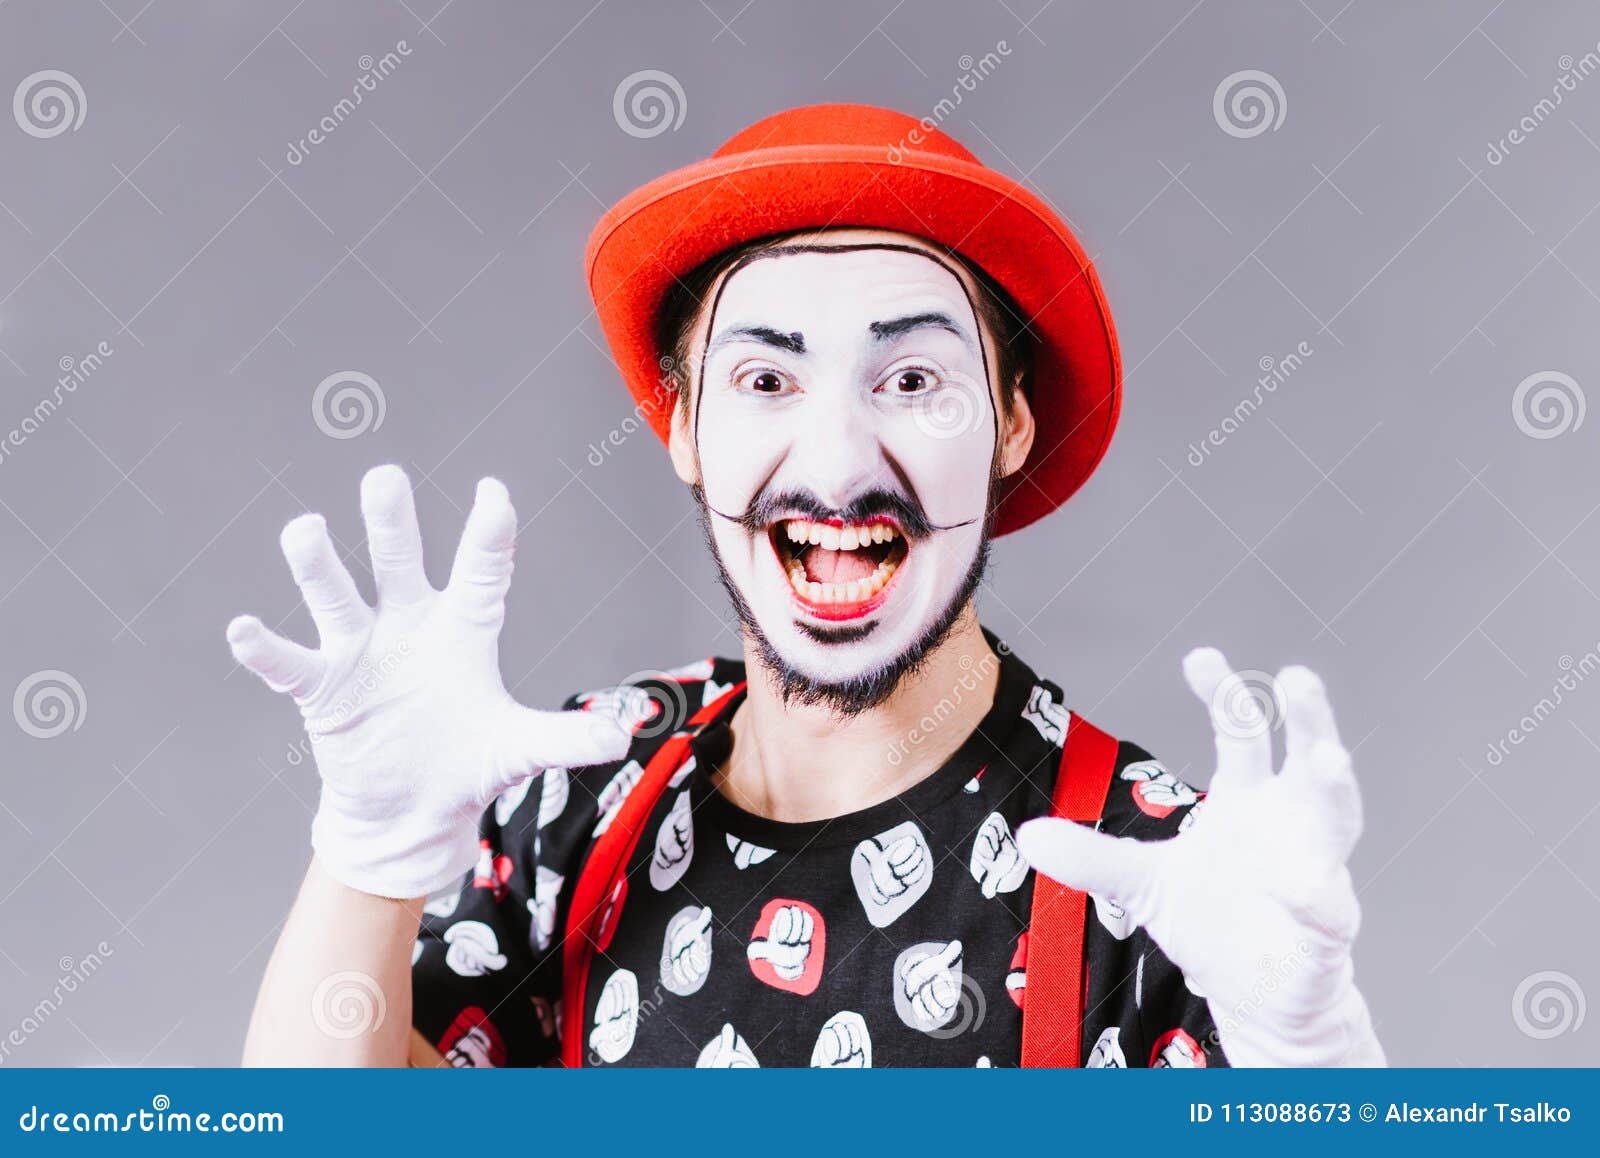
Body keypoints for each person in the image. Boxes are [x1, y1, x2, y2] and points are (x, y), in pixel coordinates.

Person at [230, 104, 1383, 1068]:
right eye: (767, 376)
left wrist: (1312, 1060)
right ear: (682, 427)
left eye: (915, 375)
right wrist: (367, 858)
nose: (835, 465)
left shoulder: (1160, 881)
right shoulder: (586, 789)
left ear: (1010, 425)